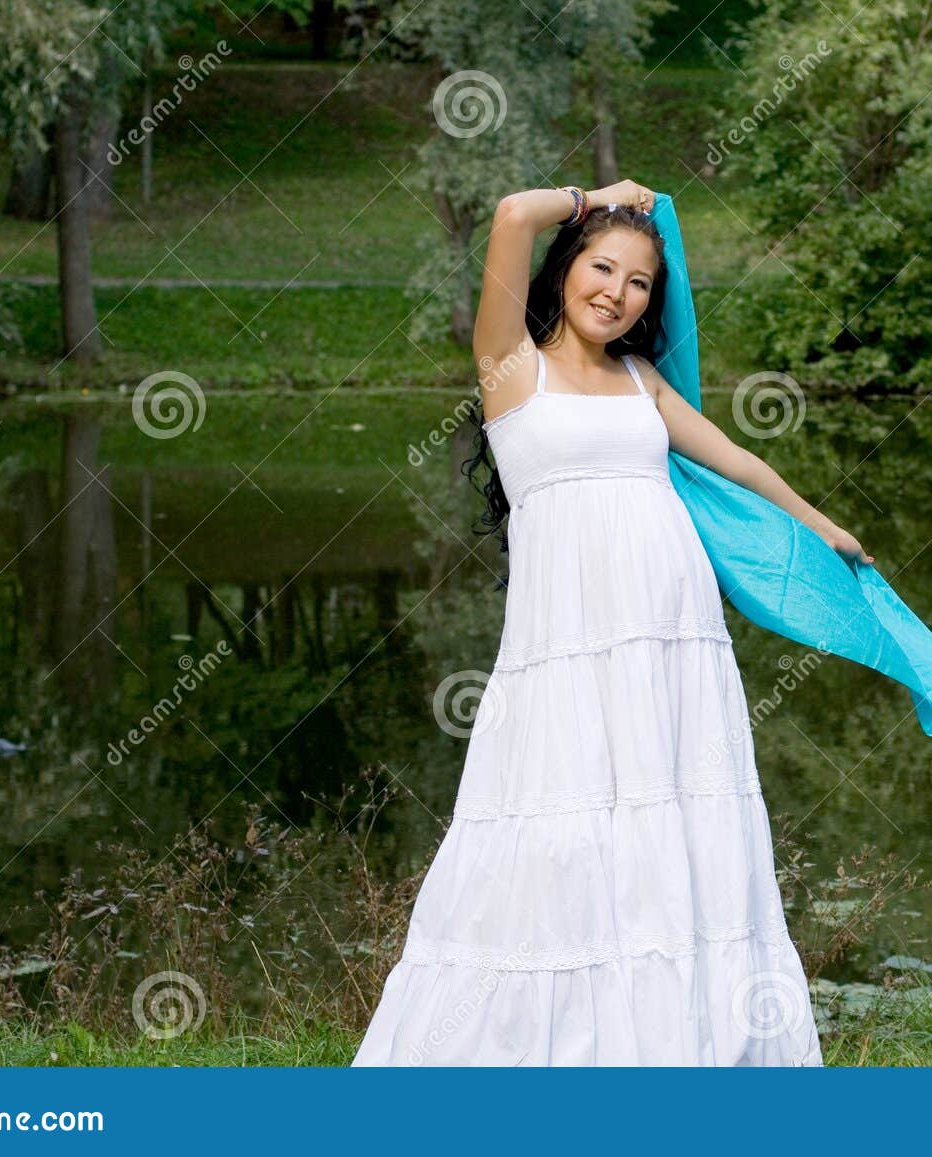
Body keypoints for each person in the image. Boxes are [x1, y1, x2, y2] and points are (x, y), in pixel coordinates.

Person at [351, 180, 869, 1066]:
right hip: (567, 648)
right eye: (603, 267)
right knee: (559, 826)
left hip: (675, 642)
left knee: (675, 824)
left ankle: (678, 1050)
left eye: (639, 283)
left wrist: (819, 525)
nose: (617, 293)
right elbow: (512, 214)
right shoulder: (510, 365)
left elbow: (736, 457)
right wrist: (594, 196)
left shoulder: (642, 381)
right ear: (567, 271)